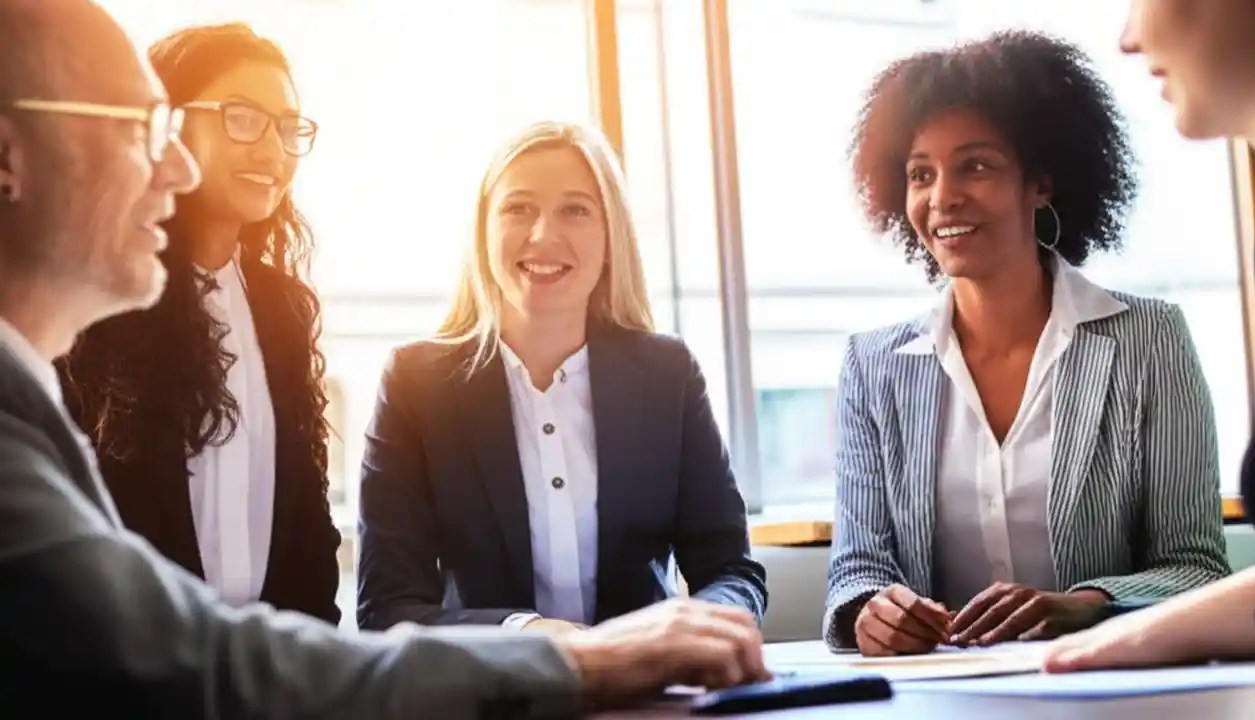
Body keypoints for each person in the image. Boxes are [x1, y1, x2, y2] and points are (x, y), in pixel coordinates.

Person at [0, 1, 768, 714]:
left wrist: (689, 636)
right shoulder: (417, 381)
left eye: (576, 211)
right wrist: (575, 658)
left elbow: (296, 558)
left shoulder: (270, 311)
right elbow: (223, 642)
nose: (171, 168)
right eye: (139, 129)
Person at [823, 30, 1230, 657]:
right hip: (941, 697)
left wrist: (1083, 605)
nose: (942, 197)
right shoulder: (872, 367)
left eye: (975, 166)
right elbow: (857, 572)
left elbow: (1195, 566)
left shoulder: (1151, 340)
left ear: (1040, 183)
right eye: (919, 174)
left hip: (1103, 685)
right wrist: (872, 612)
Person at [357, 120, 766, 636]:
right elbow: (387, 608)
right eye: (517, 209)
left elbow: (731, 570)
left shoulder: (668, 375)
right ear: (482, 234)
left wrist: (698, 626)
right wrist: (523, 635)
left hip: (648, 693)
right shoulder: (415, 385)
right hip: (494, 696)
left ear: (611, 237)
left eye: (575, 210)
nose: (543, 235)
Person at [56, 22, 340, 623]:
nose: (272, 150)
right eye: (242, 117)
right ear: (165, 123)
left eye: (288, 128)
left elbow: (307, 528)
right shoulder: (96, 304)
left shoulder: (283, 306)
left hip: (271, 681)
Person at [1044, 0, 1255, 672]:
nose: (1125, 37)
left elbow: (1189, 559)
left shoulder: (1150, 334)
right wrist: (1119, 642)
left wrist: (1104, 615)